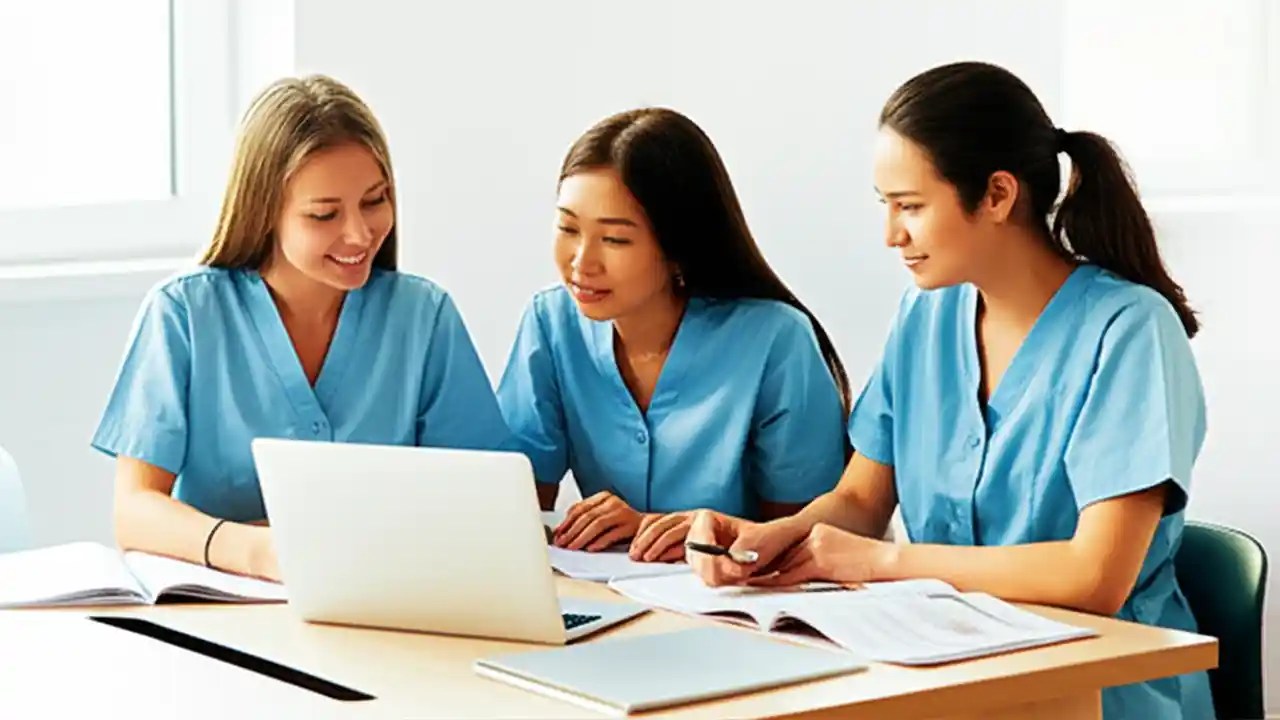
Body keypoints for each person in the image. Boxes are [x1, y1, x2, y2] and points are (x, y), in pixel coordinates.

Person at [686, 62, 1212, 719]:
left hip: (1096, 689)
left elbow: (1095, 576)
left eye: (910, 206)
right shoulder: (924, 318)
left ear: (996, 195)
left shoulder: (1130, 331)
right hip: (940, 671)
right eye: (885, 205)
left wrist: (881, 563)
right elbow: (859, 500)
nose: (891, 235)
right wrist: (774, 541)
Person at [92, 75, 509, 581]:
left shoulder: (424, 317)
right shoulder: (182, 315)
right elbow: (135, 510)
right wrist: (257, 551)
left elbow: (487, 500)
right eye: (324, 214)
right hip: (224, 614)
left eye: (375, 200)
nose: (359, 233)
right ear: (265, 212)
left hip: (389, 600)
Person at [498, 108, 849, 562]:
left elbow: (803, 542)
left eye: (616, 240)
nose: (582, 262)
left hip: (743, 608)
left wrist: (663, 529)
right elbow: (516, 511)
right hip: (609, 600)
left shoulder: (776, 342)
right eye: (568, 228)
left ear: (678, 246)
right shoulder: (551, 324)